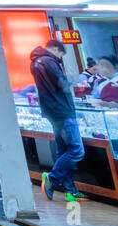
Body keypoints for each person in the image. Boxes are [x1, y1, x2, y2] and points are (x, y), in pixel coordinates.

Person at [30, 38, 85, 200]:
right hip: (62, 111)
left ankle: (70, 190)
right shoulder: (49, 61)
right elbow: (61, 85)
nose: (60, 58)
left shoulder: (36, 62)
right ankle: (52, 179)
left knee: (64, 151)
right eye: (60, 54)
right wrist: (73, 79)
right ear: (55, 48)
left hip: (52, 112)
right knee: (76, 150)